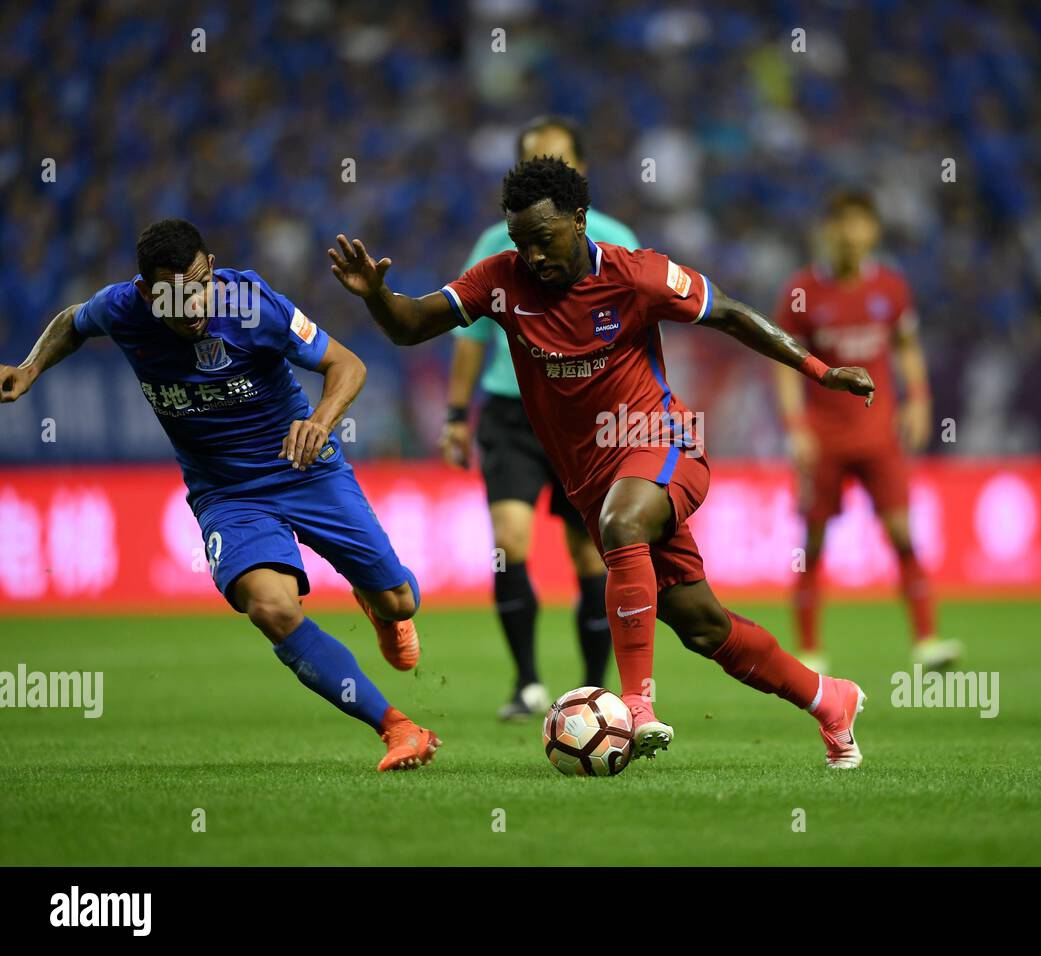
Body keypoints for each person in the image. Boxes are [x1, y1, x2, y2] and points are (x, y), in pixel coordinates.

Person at [330, 159, 876, 769]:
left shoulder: (637, 274)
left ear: (579, 220)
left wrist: (822, 372)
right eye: (520, 242)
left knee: (621, 525)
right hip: (593, 478)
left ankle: (637, 706)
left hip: (663, 441)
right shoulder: (500, 280)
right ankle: (829, 700)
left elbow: (733, 313)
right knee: (700, 625)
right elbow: (409, 326)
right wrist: (378, 297)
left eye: (544, 239)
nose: (533, 256)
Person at [0, 219, 439, 772]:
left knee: (401, 600)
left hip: (304, 467)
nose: (193, 304)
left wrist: (322, 421)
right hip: (227, 495)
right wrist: (30, 367)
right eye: (175, 296)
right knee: (270, 608)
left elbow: (346, 364)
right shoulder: (122, 309)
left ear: (212, 268)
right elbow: (72, 322)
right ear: (146, 293)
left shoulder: (253, 304)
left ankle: (381, 607)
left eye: (201, 284)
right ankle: (397, 728)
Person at [442, 116, 637, 719]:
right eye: (529, 160)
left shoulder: (613, 239)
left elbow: (636, 332)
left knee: (588, 557)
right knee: (510, 540)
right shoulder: (495, 245)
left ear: (579, 170)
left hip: (586, 414)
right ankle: (526, 683)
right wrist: (456, 413)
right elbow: (470, 335)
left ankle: (592, 692)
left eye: (553, 159)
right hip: (511, 409)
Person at [774, 191, 962, 673]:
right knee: (813, 539)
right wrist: (796, 427)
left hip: (878, 432)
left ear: (873, 231)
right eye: (841, 224)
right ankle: (810, 651)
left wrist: (919, 399)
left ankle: (927, 641)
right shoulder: (802, 292)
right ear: (828, 230)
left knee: (901, 532)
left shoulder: (892, 289)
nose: (850, 234)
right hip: (824, 435)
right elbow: (786, 366)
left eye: (859, 224)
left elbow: (906, 346)